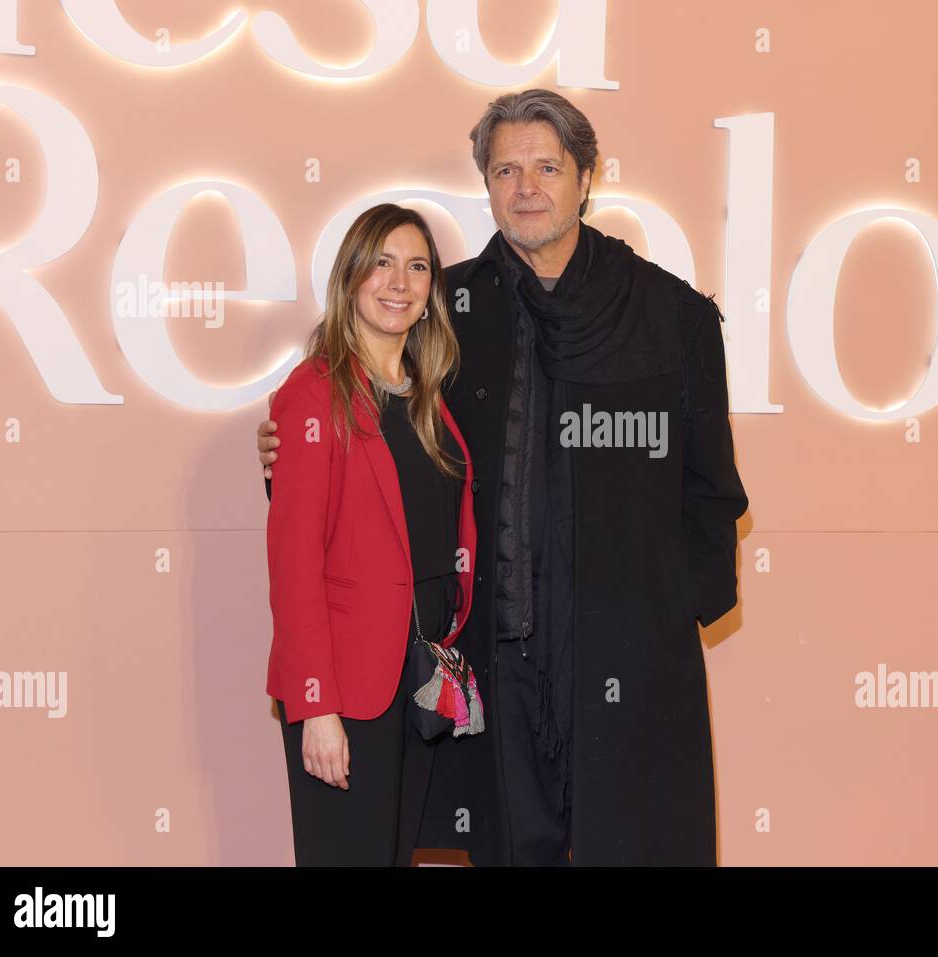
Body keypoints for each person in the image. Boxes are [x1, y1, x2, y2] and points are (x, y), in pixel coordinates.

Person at [260, 89, 747, 866]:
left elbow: (711, 494)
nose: (526, 187)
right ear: (486, 185)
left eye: (547, 167)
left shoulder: (670, 316)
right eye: (505, 169)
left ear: (587, 177)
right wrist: (289, 449)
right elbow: (374, 440)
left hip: (625, 666)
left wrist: (662, 616)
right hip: (493, 661)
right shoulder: (444, 313)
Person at [265, 203, 477, 866]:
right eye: (381, 262)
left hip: (418, 682)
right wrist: (315, 705)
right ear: (351, 277)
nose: (399, 281)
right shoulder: (313, 393)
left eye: (416, 266)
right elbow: (294, 563)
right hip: (347, 688)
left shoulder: (429, 396)